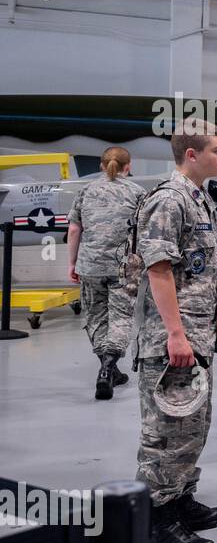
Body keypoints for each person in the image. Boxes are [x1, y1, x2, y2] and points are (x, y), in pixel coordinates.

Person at [132, 119, 217, 543]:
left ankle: (181, 499)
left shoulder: (198, 199)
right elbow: (158, 269)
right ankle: (157, 521)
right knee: (166, 431)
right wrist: (175, 332)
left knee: (193, 424)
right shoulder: (169, 201)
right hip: (171, 339)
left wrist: (215, 325)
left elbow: (200, 273)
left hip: (196, 334)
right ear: (192, 154)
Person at [67, 146, 144, 400]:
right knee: (121, 317)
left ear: (101, 166)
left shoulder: (86, 191)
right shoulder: (137, 192)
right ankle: (109, 366)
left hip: (90, 265)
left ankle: (107, 369)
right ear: (128, 166)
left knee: (97, 318)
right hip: (123, 267)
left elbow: (75, 230)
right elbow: (145, 231)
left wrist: (72, 262)